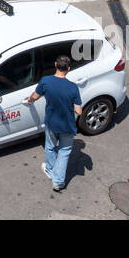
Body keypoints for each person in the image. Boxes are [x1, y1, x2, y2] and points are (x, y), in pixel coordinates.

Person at [24, 54, 83, 192]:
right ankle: (58, 182)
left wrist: (30, 100)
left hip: (51, 123)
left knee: (50, 147)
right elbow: (79, 111)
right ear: (68, 69)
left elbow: (35, 96)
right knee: (64, 152)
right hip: (67, 126)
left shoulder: (46, 81)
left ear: (55, 65)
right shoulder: (73, 87)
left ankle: (50, 170)